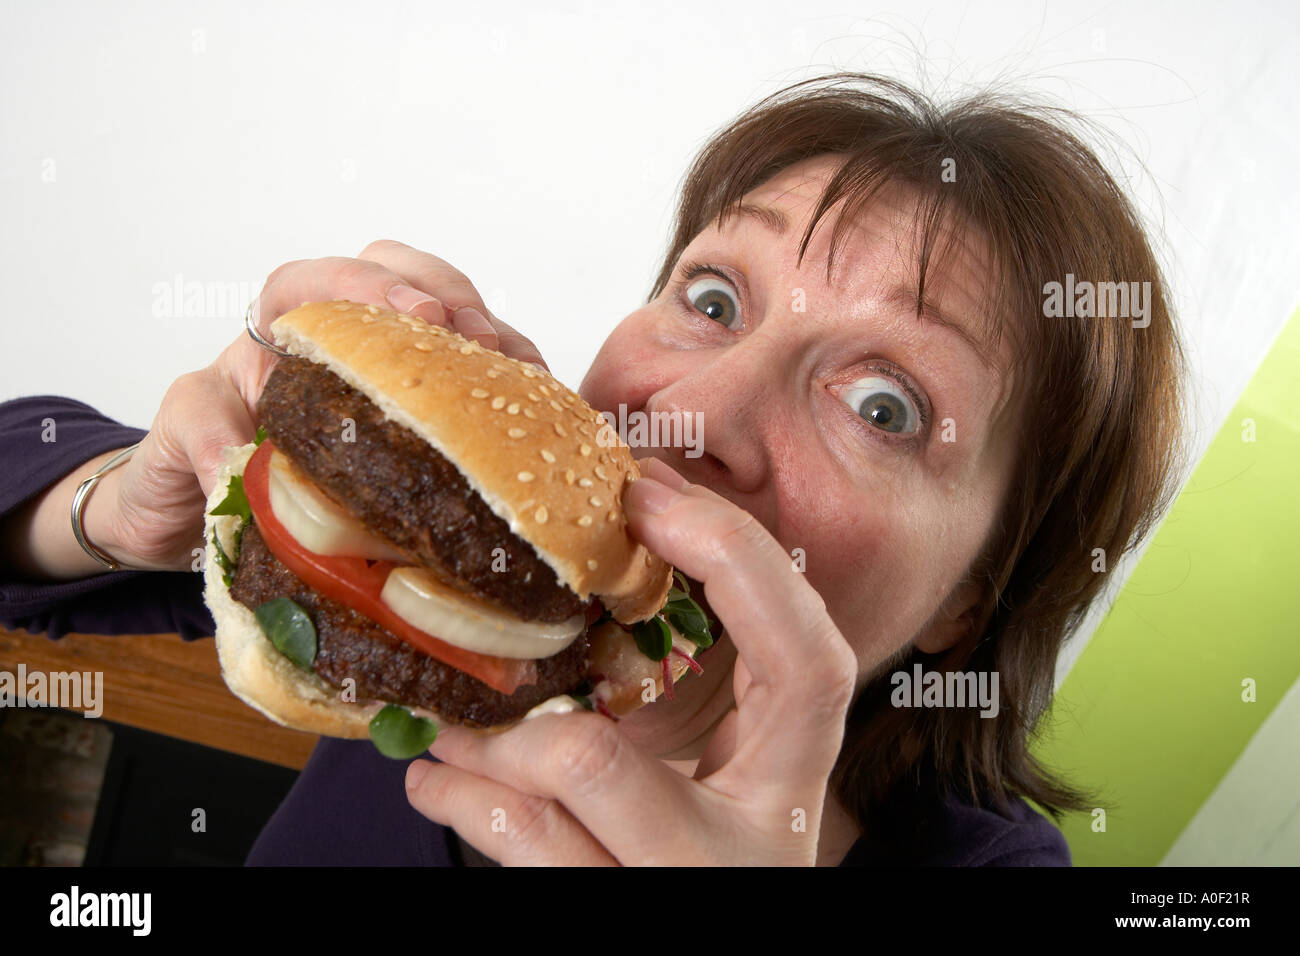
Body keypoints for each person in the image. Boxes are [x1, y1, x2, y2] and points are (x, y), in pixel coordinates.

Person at [0, 72, 1184, 865]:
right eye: (712, 298)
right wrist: (125, 508)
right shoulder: (433, 614)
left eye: (884, 403)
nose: (690, 412)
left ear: (969, 595)